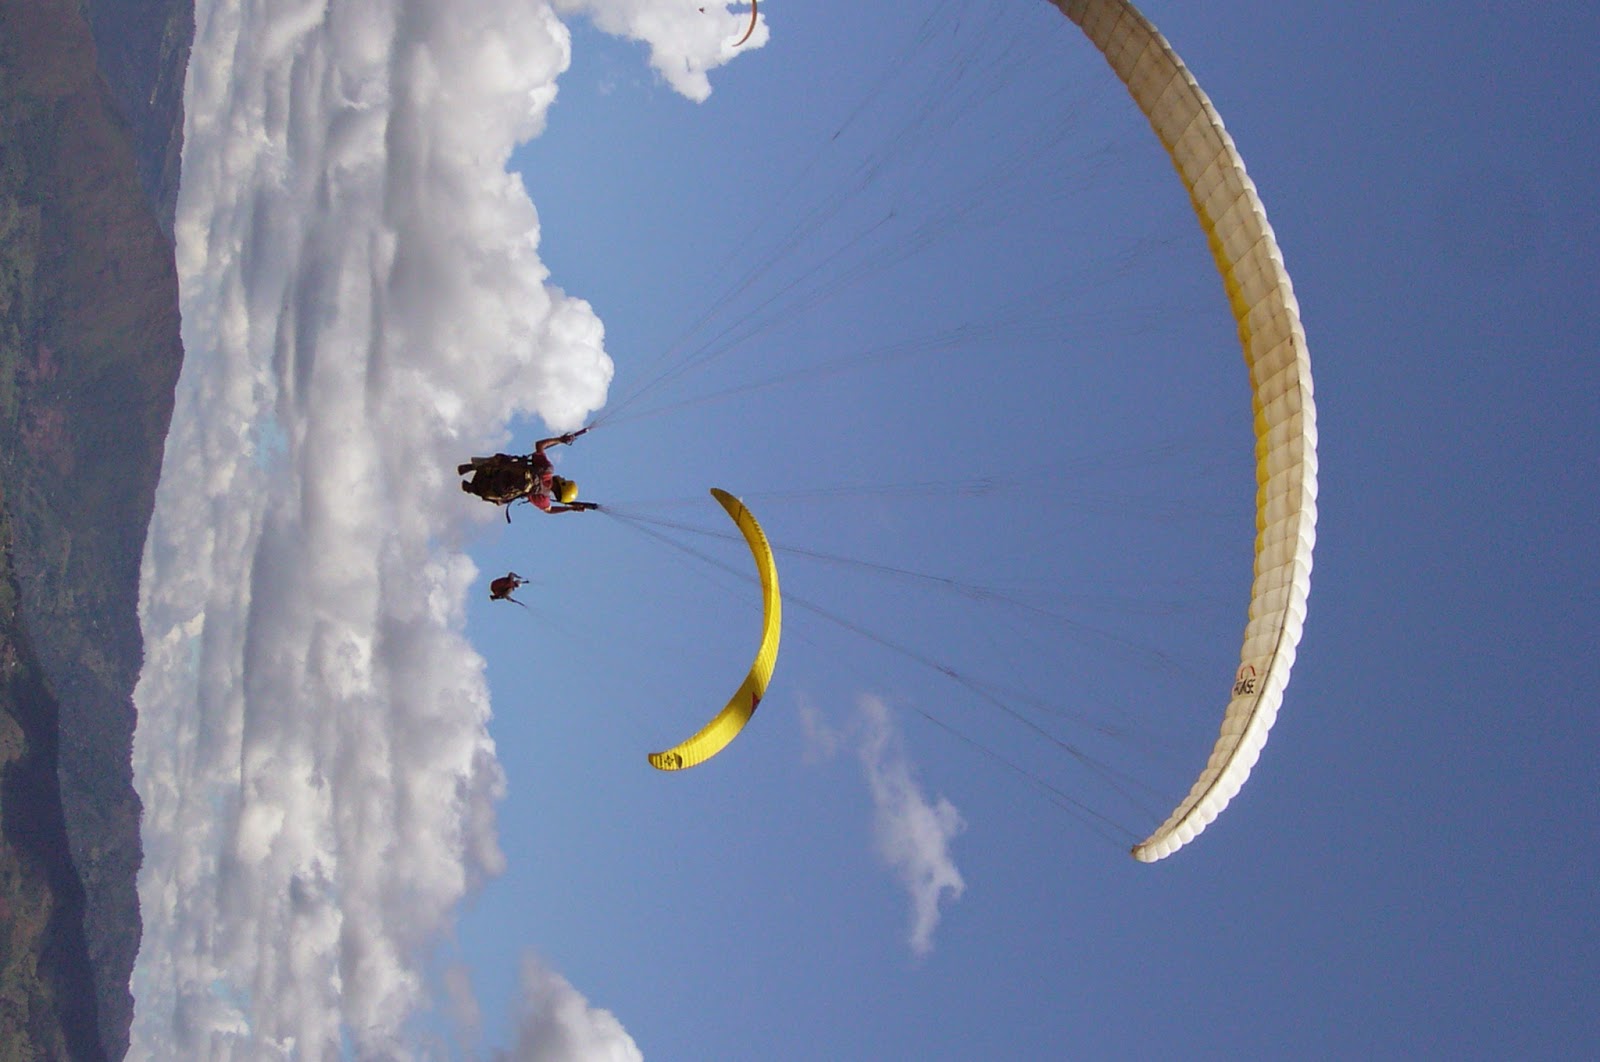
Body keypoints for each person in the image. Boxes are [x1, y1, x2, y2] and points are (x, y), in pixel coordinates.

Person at [458, 430, 599, 519]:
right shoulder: (543, 498)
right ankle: (471, 488)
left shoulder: (547, 471)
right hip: (497, 490)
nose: (562, 477)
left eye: (564, 480)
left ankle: (473, 466)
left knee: (502, 460)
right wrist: (570, 509)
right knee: (501, 500)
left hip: (501, 470)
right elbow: (549, 510)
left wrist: (560, 440)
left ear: (563, 485)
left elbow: (539, 445)